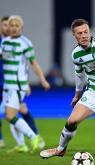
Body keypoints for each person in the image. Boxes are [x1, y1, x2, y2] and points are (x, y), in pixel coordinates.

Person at [40, 18, 95, 165]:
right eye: (80, 33)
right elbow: (80, 75)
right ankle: (60, 149)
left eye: (86, 32)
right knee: (72, 120)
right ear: (74, 35)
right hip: (93, 92)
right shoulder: (76, 54)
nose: (84, 35)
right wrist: (77, 94)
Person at [0, 15, 50, 152]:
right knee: (12, 114)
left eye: (17, 25)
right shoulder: (4, 43)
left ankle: (33, 137)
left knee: (9, 115)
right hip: (7, 86)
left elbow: (33, 64)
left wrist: (43, 79)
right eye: (12, 25)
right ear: (8, 27)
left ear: (21, 28)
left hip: (17, 86)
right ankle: (21, 144)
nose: (14, 28)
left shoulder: (25, 43)